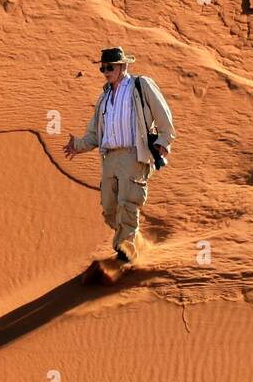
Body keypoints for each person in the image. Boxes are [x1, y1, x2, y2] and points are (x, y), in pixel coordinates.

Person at [62, 46, 175, 263]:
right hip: (110, 158)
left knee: (127, 202)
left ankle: (126, 250)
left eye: (109, 67)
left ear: (123, 66)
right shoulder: (104, 98)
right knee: (109, 207)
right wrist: (78, 145)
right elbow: (94, 133)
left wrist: (164, 139)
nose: (105, 71)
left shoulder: (140, 86)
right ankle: (132, 238)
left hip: (134, 154)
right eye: (102, 68)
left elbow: (163, 113)